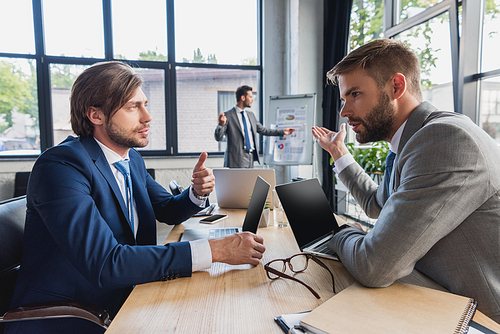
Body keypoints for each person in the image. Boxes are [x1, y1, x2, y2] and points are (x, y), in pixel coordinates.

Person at [5, 62, 266, 334]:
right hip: (74, 317)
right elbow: (107, 263)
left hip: (128, 298)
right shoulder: (62, 166)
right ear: (96, 115)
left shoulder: (131, 160)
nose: (148, 116)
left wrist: (196, 193)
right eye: (133, 107)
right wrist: (216, 250)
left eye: (145, 104)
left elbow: (166, 209)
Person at [312, 39, 500, 322]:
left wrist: (338, 234)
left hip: (478, 319)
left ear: (396, 87)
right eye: (344, 98)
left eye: (355, 94)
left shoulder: (443, 140)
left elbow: (374, 266)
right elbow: (378, 205)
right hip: (439, 297)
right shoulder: (412, 139)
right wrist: (338, 153)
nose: (344, 111)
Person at [215, 85, 295, 168]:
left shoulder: (251, 115)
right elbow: (218, 137)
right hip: (235, 159)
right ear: (243, 98)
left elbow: (263, 130)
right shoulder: (228, 115)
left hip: (250, 157)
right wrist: (221, 124)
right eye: (250, 97)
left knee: (250, 181)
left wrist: (282, 132)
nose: (252, 99)